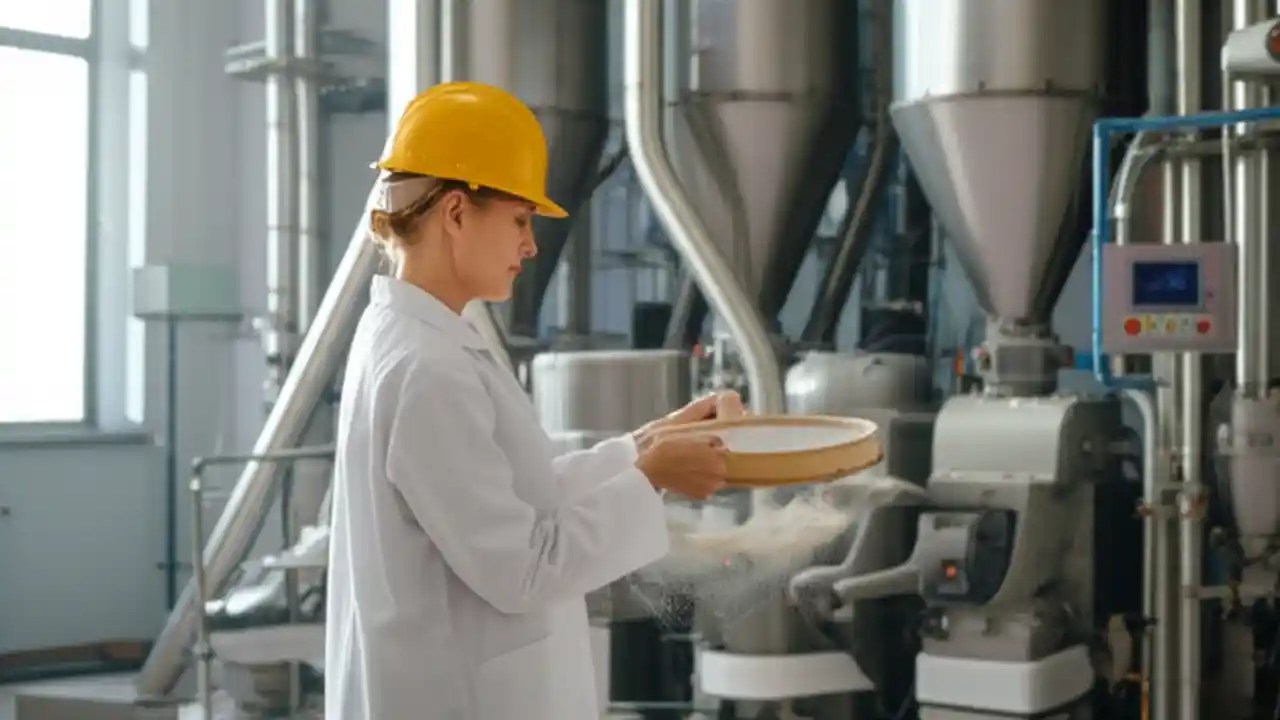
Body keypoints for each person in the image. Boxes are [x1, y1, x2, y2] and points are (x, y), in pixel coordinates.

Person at [324, 81, 741, 720]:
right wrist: (649, 479)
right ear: (456, 213)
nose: (530, 245)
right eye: (520, 219)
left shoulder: (416, 340)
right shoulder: (427, 369)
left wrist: (645, 447)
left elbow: (520, 495)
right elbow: (523, 569)